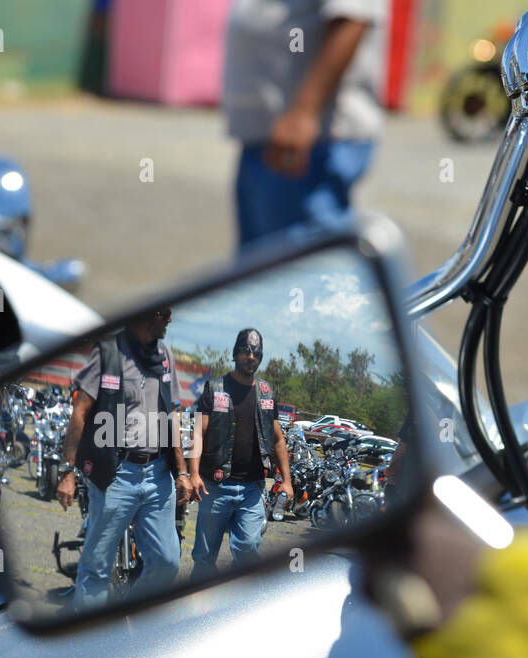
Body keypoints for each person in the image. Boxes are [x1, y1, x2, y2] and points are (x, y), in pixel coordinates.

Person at [56, 307, 192, 609]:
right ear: (146, 316)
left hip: (158, 475)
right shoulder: (108, 353)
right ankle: (86, 644)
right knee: (96, 568)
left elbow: (172, 415)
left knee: (167, 563)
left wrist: (181, 472)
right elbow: (80, 411)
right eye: (164, 313)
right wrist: (67, 471)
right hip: (116, 475)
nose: (169, 320)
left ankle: (127, 616)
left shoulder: (165, 355)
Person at [222, 0, 386, 249]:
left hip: (308, 140)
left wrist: (304, 111)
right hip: (272, 137)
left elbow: (352, 19)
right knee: (261, 271)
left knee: (306, 270)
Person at [187, 328, 293, 579]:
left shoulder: (266, 393)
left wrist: (287, 481)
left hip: (252, 489)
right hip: (215, 486)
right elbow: (198, 434)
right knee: (204, 557)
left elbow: (278, 439)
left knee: (248, 551)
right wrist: (193, 474)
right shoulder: (214, 388)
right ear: (235, 354)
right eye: (245, 351)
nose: (251, 357)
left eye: (256, 353)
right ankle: (195, 611)